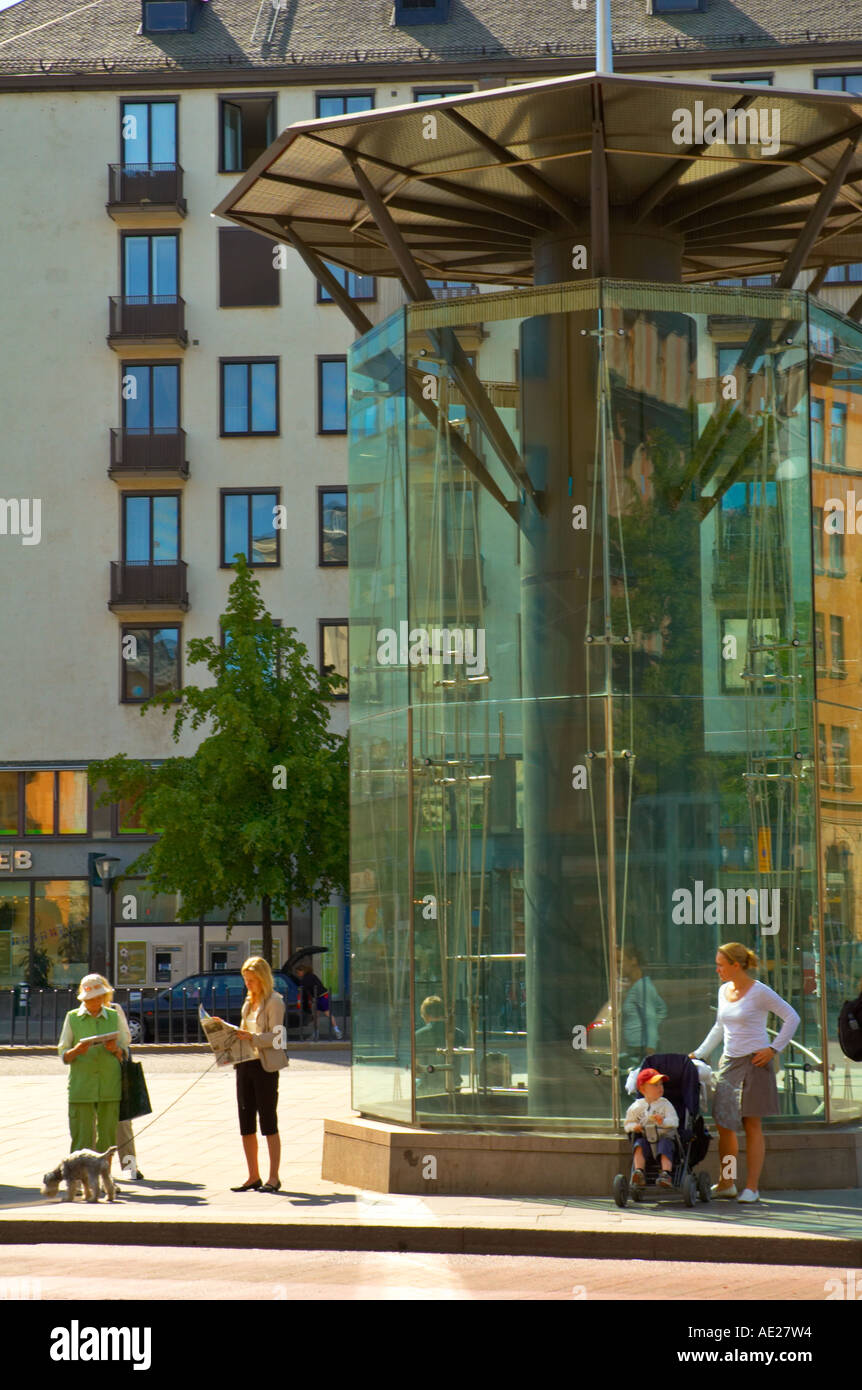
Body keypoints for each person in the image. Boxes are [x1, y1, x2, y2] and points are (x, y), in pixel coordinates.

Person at [690, 941, 800, 1203]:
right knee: (725, 1125)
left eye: (720, 965)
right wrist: (699, 1053)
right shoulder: (723, 991)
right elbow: (719, 1026)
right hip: (729, 1064)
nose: (717, 970)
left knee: (752, 1125)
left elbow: (791, 1017)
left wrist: (774, 1049)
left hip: (756, 1063)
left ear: (735, 965)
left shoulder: (760, 992)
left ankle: (751, 1187)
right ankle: (727, 1182)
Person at [215, 956, 288, 1193]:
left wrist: (253, 1038)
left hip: (264, 1066)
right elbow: (245, 1032)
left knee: (268, 1120)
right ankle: (252, 1175)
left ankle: (273, 1177)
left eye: (252, 980)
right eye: (245, 980)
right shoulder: (248, 1003)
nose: (248, 985)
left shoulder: (274, 1002)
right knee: (246, 1121)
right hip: (244, 1064)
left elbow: (278, 1037)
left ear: (263, 979)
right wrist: (227, 1031)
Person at [57, 973, 130, 1165]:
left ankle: (106, 1179)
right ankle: (78, 1180)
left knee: (107, 1139)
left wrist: (115, 1050)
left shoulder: (113, 1015)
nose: (95, 1002)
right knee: (81, 1137)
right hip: (82, 1086)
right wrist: (77, 1051)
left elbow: (124, 1051)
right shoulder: (72, 1017)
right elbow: (64, 1054)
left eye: (99, 998)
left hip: (109, 1084)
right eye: (91, 999)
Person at [624, 1066, 679, 1189]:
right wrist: (635, 1127)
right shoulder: (636, 1107)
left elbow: (675, 1121)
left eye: (661, 1085)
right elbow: (627, 1124)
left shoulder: (665, 1104)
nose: (660, 1088)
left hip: (664, 1137)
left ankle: (666, 1174)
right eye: (655, 1085)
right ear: (643, 1089)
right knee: (638, 1144)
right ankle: (639, 1172)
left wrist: (663, 1121)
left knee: (665, 1145)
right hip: (646, 1139)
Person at [619, 946, 668, 1062]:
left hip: (642, 1049)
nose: (617, 967)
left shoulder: (641, 987)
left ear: (633, 961)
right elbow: (662, 1009)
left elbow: (650, 1018)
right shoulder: (637, 986)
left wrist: (650, 1049)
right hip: (636, 1047)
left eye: (620, 961)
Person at [293, 960, 342, 1039]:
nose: (298, 974)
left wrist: (307, 1002)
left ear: (302, 971)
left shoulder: (305, 979)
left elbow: (306, 991)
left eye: (298, 972)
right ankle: (327, 1032)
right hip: (322, 995)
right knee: (319, 1015)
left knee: (324, 1014)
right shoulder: (312, 975)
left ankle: (335, 1031)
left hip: (321, 996)